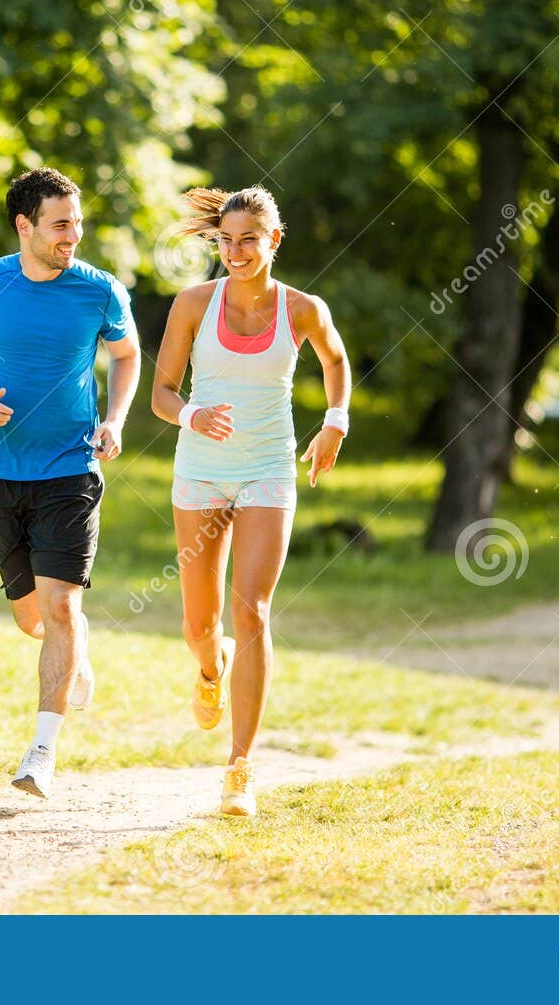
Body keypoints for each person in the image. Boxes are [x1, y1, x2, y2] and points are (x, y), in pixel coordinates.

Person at [0, 167, 140, 799]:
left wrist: (116, 419)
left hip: (71, 468)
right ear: (25, 226)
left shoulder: (99, 291)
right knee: (32, 619)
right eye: (60, 224)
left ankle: (40, 753)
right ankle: (75, 653)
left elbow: (126, 355)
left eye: (77, 223)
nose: (72, 235)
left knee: (62, 605)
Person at [150, 185, 350, 816]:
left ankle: (240, 770)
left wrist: (335, 421)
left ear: (274, 240)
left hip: (268, 470)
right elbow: (160, 393)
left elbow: (336, 359)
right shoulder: (191, 305)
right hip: (202, 473)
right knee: (199, 627)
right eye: (226, 240)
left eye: (249, 240)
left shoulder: (302, 309)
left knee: (253, 613)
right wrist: (191, 415)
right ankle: (210, 672)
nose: (235, 252)